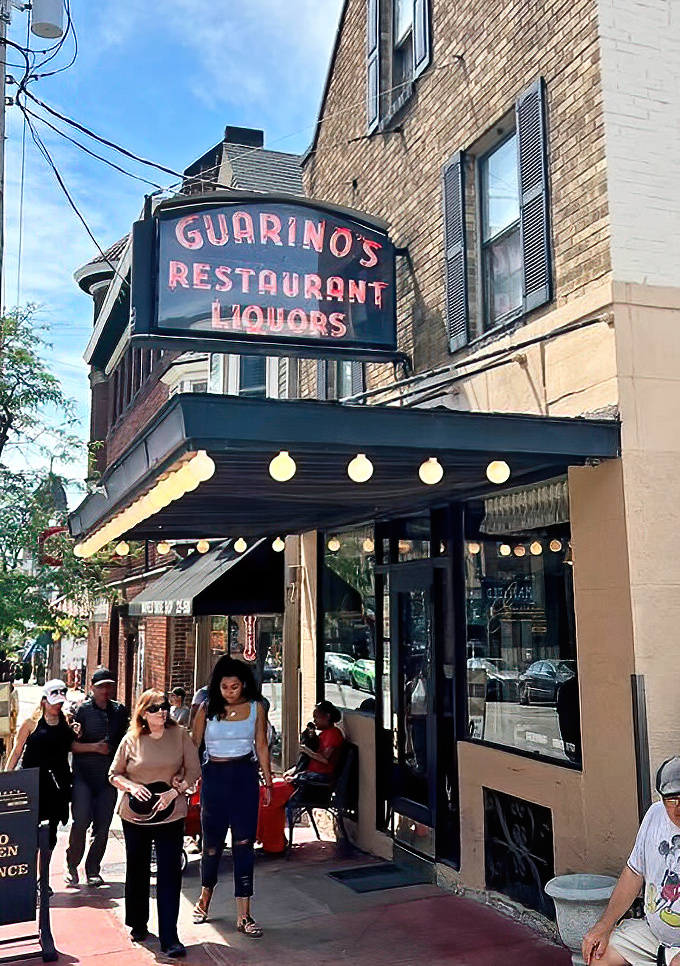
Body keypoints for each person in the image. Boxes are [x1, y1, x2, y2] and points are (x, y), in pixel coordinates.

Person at [109, 688, 200, 958]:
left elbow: (194, 768)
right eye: (155, 708)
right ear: (143, 713)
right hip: (136, 813)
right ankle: (138, 923)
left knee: (169, 871)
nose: (162, 711)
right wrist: (132, 787)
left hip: (170, 811)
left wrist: (176, 790)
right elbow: (114, 774)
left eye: (164, 707)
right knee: (137, 867)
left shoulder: (179, 734)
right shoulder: (131, 740)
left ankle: (170, 937)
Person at [191, 655, 273, 938]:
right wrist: (188, 777)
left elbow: (261, 744)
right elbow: (194, 743)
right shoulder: (206, 708)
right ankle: (204, 899)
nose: (229, 691)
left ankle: (244, 914)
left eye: (234, 686)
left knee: (244, 843)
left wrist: (269, 780)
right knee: (212, 845)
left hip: (244, 777)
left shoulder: (256, 708)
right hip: (215, 776)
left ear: (244, 685)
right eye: (224, 686)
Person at [583, 757, 680, 965]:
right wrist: (605, 924)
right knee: (599, 954)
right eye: (671, 800)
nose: (678, 809)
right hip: (654, 934)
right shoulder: (655, 814)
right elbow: (634, 873)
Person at [65, 667, 129, 887]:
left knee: (103, 827)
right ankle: (72, 865)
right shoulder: (81, 711)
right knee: (80, 822)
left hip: (108, 778)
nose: (105, 690)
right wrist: (94, 747)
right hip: (83, 776)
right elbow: (70, 745)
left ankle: (93, 869)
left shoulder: (119, 711)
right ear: (92, 687)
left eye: (109, 686)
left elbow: (126, 741)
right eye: (101, 686)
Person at [5, 680, 75, 851]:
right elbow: (16, 751)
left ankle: (44, 874)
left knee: (51, 833)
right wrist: (6, 778)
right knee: (29, 829)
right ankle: (30, 871)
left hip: (58, 784)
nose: (57, 706)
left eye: (60, 702)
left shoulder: (66, 722)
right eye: (54, 702)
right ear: (44, 701)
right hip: (33, 782)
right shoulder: (31, 723)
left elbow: (71, 746)